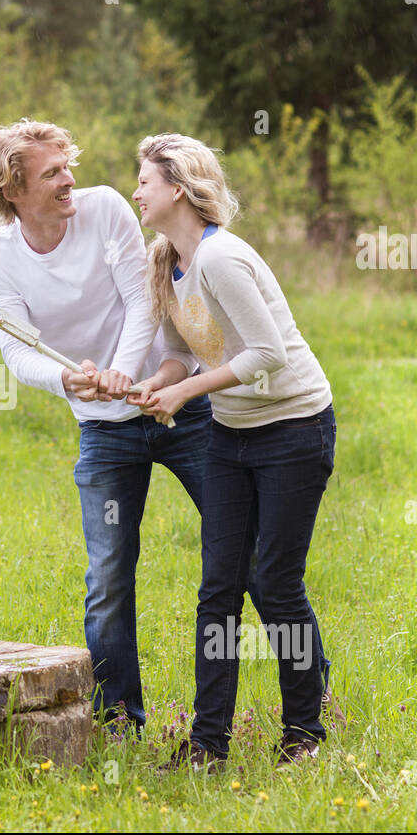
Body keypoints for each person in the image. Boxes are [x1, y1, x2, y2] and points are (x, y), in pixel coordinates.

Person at [0, 119, 335, 736]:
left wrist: (136, 377)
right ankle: (120, 719)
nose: (70, 179)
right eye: (52, 172)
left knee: (251, 565)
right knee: (108, 576)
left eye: (67, 164)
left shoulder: (109, 211)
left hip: (188, 413)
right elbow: (18, 351)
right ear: (12, 189)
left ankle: (309, 684)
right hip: (105, 428)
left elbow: (144, 302)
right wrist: (71, 381)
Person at [126, 133, 337, 769]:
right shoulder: (166, 261)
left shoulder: (222, 258)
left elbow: (267, 353)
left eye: (145, 181)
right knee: (217, 588)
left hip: (295, 429)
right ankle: (207, 745)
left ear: (182, 189)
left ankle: (304, 732)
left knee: (274, 583)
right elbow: (181, 353)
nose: (136, 191)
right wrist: (157, 384)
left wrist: (186, 392)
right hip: (230, 435)